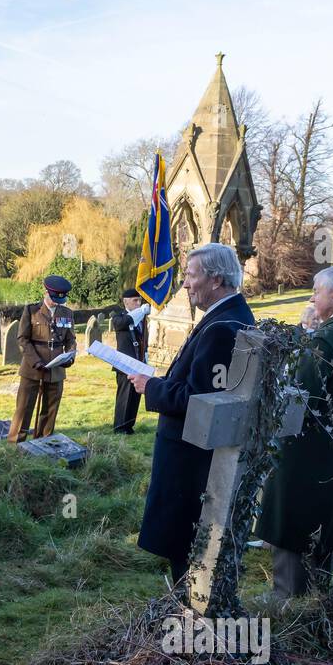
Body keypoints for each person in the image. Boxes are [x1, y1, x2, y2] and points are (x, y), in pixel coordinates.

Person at [128, 243, 254, 585]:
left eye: (190, 275)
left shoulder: (222, 328)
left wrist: (151, 386)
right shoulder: (229, 316)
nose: (184, 284)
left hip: (191, 459)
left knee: (187, 546)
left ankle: (190, 613)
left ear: (215, 280)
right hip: (192, 455)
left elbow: (203, 400)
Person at [256, 265, 333, 598]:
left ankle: (286, 600)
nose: (313, 297)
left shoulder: (331, 336)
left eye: (316, 290)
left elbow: (299, 399)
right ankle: (314, 595)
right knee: (323, 525)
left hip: (309, 449)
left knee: (294, 519)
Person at [8, 275, 76, 443]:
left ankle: (43, 442)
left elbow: (71, 340)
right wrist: (35, 361)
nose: (56, 302)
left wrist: (70, 356)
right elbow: (22, 339)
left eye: (60, 299)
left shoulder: (67, 313)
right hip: (33, 367)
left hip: (56, 369)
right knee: (24, 408)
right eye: (53, 298)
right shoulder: (31, 311)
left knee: (50, 409)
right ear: (46, 292)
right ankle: (16, 444)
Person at [110, 287, 150, 434]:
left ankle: (129, 425)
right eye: (135, 300)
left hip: (139, 363)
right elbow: (124, 323)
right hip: (124, 364)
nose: (138, 303)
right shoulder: (119, 317)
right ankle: (120, 427)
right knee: (124, 397)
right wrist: (140, 312)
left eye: (139, 300)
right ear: (126, 302)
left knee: (135, 397)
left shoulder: (142, 318)